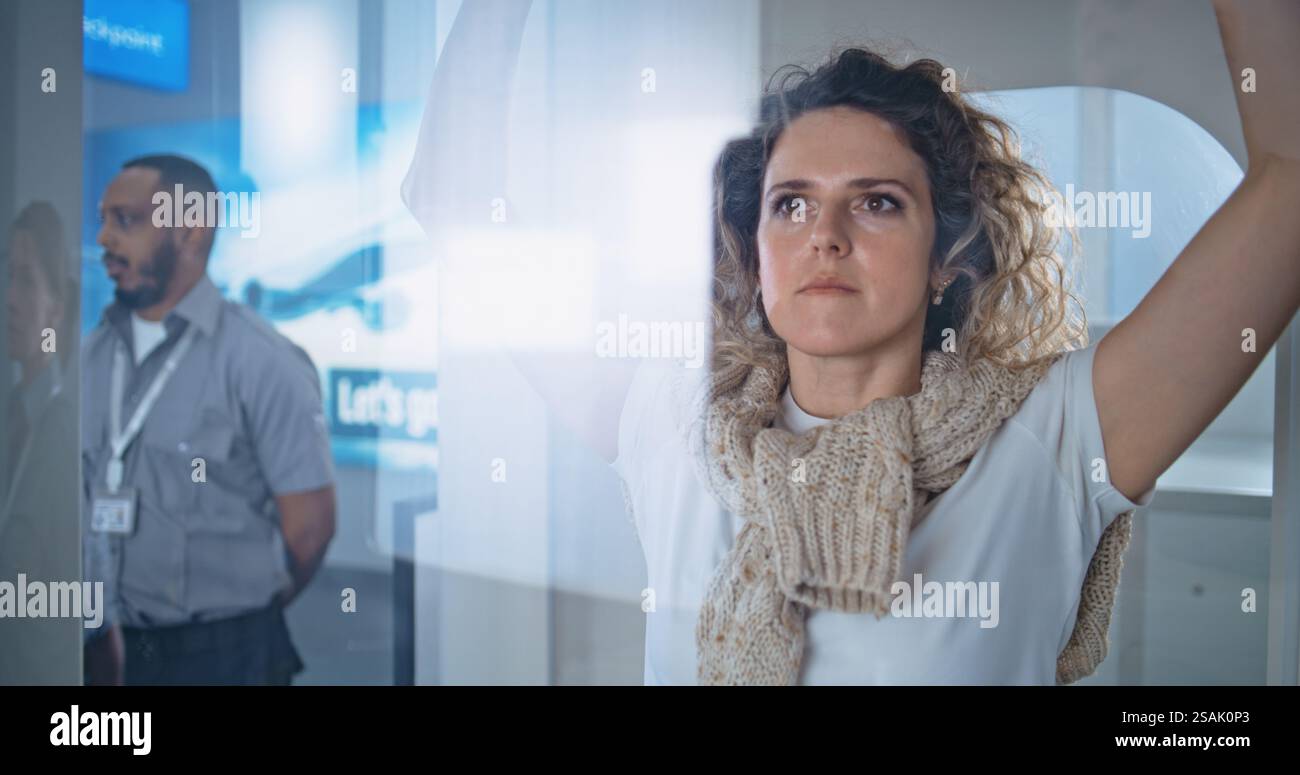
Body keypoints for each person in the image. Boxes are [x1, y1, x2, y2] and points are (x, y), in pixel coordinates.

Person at [404, 0, 1300, 684]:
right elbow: (450, 197)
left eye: (876, 201)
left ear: (947, 255)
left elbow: (1289, 184)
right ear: (755, 256)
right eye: (790, 204)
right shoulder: (677, 426)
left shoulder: (1057, 438)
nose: (823, 235)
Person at [81, 154, 337, 685]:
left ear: (191, 232)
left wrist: (237, 614)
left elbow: (309, 532)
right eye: (102, 219)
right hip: (103, 651)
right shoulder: (88, 357)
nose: (104, 238)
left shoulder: (263, 361)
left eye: (126, 220)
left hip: (225, 657)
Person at [0, 202, 81, 684]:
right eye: (8, 276)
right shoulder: (12, 418)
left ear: (55, 308)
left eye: (26, 281)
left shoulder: (61, 436)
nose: (9, 298)